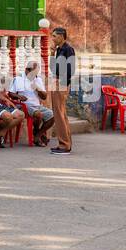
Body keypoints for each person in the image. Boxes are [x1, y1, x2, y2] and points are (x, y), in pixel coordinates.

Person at [8, 60, 54, 146]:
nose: (34, 75)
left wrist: (37, 88)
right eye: (33, 73)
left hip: (36, 106)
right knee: (38, 114)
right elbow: (10, 94)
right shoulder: (18, 79)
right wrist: (19, 97)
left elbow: (44, 97)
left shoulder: (38, 80)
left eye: (36, 73)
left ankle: (38, 134)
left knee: (52, 116)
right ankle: (38, 134)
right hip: (23, 106)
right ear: (27, 70)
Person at [49, 25, 76, 155]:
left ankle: (64, 145)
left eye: (54, 36)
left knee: (59, 114)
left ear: (61, 36)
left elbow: (71, 70)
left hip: (61, 83)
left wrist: (62, 84)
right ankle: (66, 143)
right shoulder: (59, 49)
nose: (52, 38)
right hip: (57, 81)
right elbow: (53, 68)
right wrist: (52, 53)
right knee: (60, 114)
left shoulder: (68, 50)